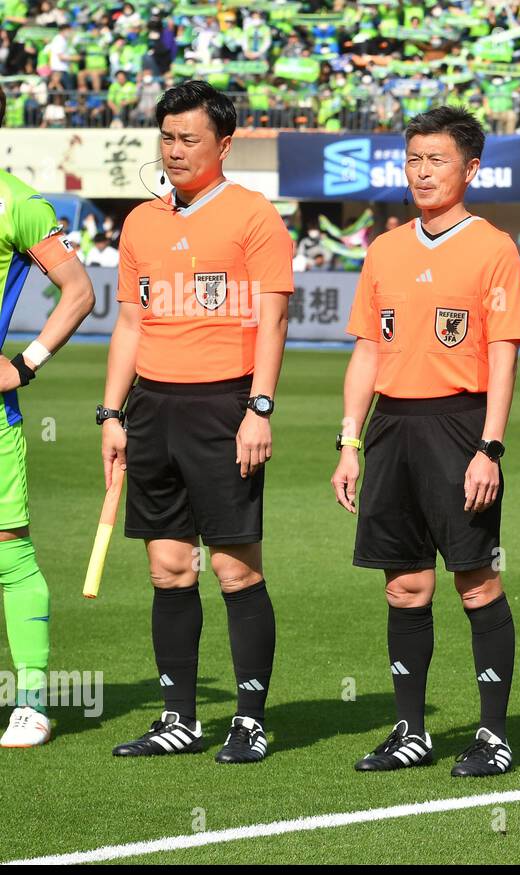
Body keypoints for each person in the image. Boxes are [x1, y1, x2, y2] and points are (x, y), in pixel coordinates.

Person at [331, 107, 520, 776]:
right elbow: (365, 351)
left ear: (470, 169)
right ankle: (411, 730)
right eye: (413, 158)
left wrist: (490, 446)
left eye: (435, 159)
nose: (420, 170)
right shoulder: (384, 249)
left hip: (459, 426)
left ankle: (494, 734)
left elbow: (503, 355)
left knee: (476, 584)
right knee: (404, 588)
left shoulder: (492, 247)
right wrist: (348, 442)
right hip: (391, 428)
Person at [102, 81, 294, 763]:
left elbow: (273, 320)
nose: (175, 150)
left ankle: (248, 719)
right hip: (152, 409)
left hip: (225, 407)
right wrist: (110, 413)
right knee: (167, 570)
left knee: (236, 570)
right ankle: (178, 717)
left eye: (188, 139)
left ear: (223, 144)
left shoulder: (254, 216)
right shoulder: (141, 222)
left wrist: (259, 406)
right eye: (167, 137)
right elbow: (129, 323)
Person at [0, 93, 96, 747]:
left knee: (8, 549)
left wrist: (25, 363)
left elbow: (80, 289)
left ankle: (31, 700)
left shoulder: (19, 203)